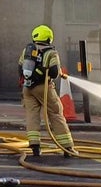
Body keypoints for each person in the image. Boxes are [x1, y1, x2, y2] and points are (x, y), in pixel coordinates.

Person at [19, 24, 76, 157]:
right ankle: (67, 147)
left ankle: (35, 146)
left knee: (32, 115)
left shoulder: (26, 51)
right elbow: (54, 72)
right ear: (49, 38)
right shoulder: (51, 53)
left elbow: (20, 67)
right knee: (56, 113)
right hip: (43, 87)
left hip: (27, 88)